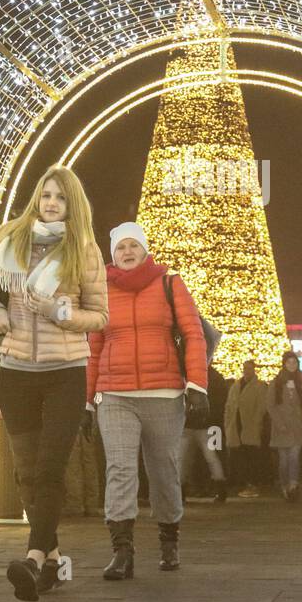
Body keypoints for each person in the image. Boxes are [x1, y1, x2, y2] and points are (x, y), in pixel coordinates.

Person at [0, 165, 108, 602]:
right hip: (18, 369)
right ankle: (55, 561)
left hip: (65, 371)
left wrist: (63, 315)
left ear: (71, 204)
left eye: (60, 198)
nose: (51, 203)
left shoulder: (85, 250)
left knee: (49, 468)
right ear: (36, 199)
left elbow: (100, 316)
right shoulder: (10, 239)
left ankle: (35, 558)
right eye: (45, 196)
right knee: (26, 473)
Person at [87, 222, 208, 579]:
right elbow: (93, 347)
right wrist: (87, 401)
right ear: (113, 254)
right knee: (120, 469)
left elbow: (193, 333)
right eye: (120, 247)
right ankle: (122, 552)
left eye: (132, 246)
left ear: (144, 250)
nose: (126, 252)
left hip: (164, 394)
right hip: (115, 394)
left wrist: (197, 385)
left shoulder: (170, 282)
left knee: (163, 470)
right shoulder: (101, 291)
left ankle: (169, 538)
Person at [181, 361, 228, 503]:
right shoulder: (216, 378)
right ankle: (220, 489)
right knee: (212, 458)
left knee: (183, 459)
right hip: (208, 425)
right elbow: (220, 403)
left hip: (189, 425)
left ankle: (181, 491)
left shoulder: (188, 377)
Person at [267, 352, 302, 501]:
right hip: (281, 427)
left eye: (294, 363)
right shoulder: (276, 382)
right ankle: (284, 484)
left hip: (296, 426)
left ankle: (293, 485)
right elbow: (270, 405)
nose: (292, 365)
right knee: (284, 459)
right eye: (289, 362)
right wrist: (279, 423)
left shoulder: (300, 381)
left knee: (294, 456)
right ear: (284, 364)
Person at [225, 360, 268, 498]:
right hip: (236, 426)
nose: (246, 371)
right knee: (240, 457)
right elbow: (229, 406)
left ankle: (252, 484)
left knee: (251, 456)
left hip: (250, 426)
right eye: (245, 368)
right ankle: (243, 483)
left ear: (254, 370)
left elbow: (261, 407)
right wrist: (227, 423)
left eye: (249, 368)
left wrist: (256, 423)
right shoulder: (236, 386)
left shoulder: (260, 386)